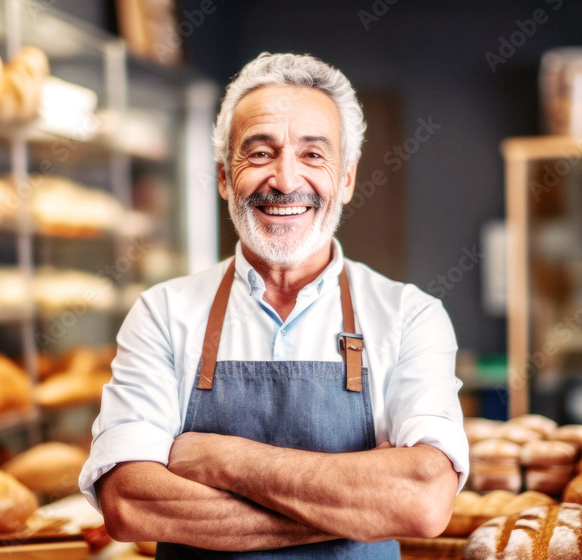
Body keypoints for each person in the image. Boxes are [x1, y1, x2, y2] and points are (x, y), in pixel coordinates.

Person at [78, 52, 469, 559]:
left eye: (312, 155)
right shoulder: (162, 313)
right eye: (260, 154)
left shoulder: (410, 315)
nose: (285, 182)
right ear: (223, 177)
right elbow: (131, 504)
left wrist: (218, 456)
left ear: (346, 178)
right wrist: (353, 508)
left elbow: (420, 499)